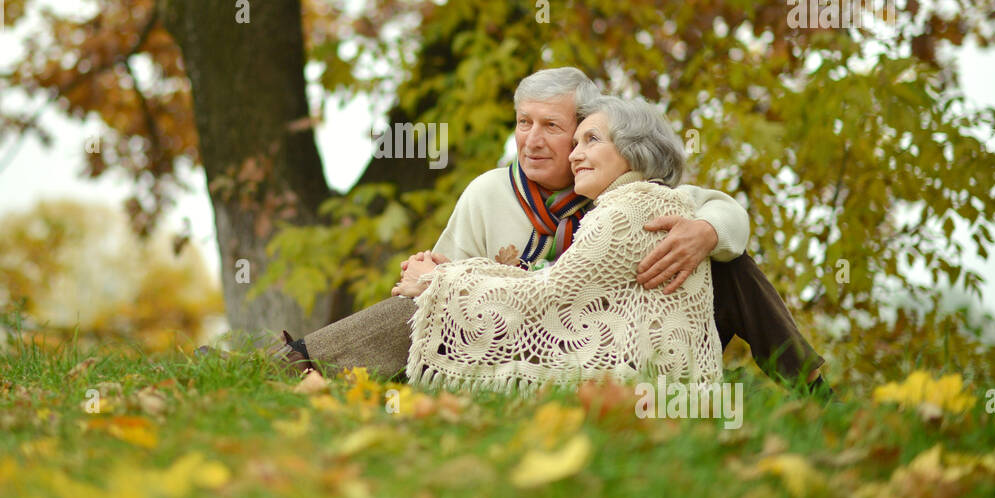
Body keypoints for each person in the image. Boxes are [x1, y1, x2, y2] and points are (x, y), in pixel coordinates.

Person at [279, 68, 828, 394]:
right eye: (523, 123)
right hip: (521, 338)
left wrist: (706, 232)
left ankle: (811, 387)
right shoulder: (488, 193)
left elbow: (730, 215)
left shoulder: (632, 196)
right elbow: (441, 296)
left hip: (619, 341)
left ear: (587, 133)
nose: (532, 141)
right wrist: (428, 278)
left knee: (731, 266)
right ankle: (298, 365)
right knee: (424, 309)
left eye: (553, 128)